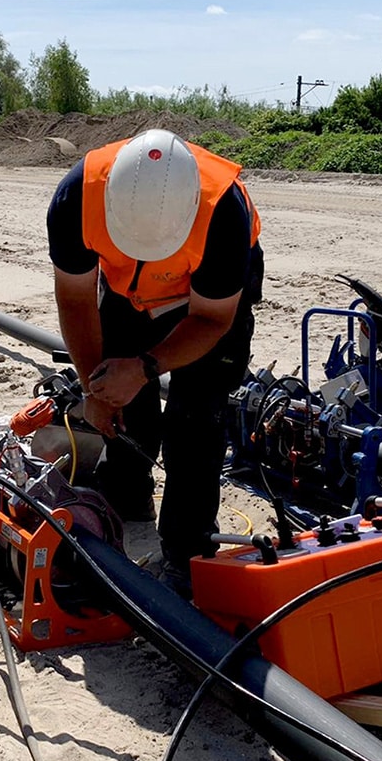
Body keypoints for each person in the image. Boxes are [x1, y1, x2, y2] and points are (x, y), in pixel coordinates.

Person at [47, 129, 264, 598]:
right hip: (128, 291)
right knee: (123, 399)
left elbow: (210, 319)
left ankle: (187, 552)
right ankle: (125, 496)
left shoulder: (223, 212)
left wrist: (145, 366)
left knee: (195, 417)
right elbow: (76, 300)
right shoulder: (75, 197)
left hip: (205, 301)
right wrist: (95, 388)